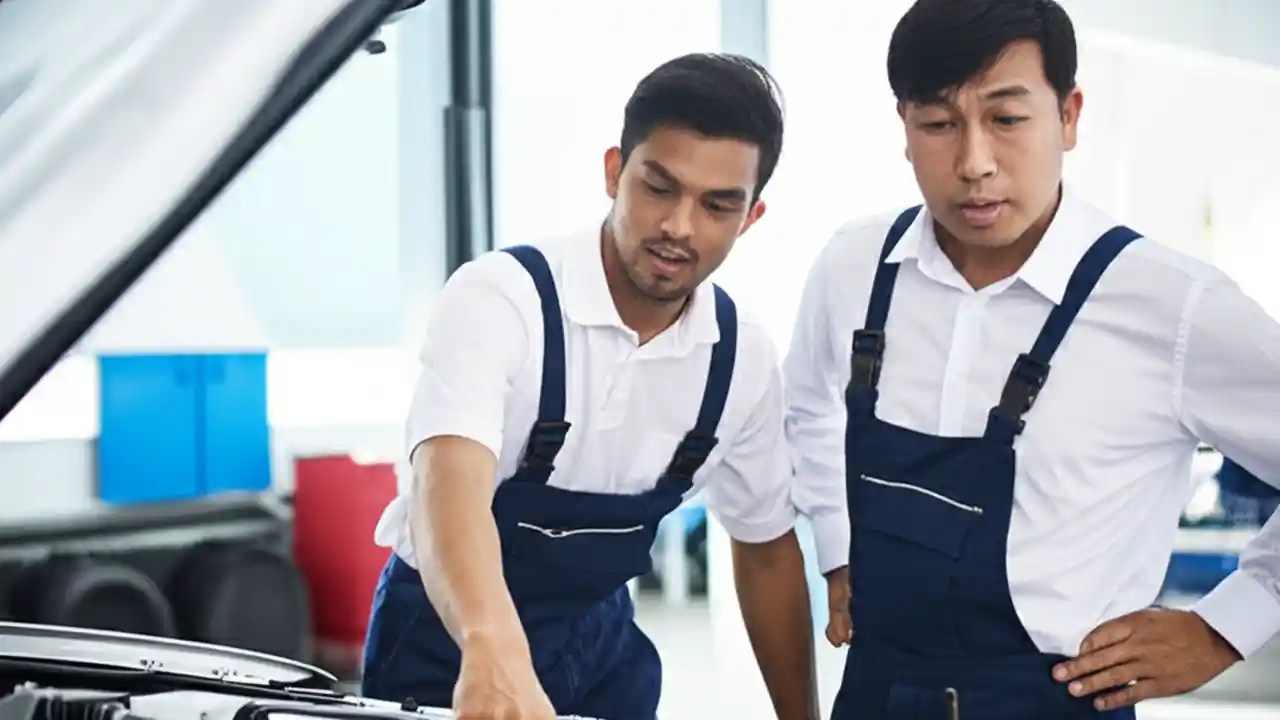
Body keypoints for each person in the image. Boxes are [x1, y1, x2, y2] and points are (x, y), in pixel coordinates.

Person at [782, 0, 1280, 717]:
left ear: (1069, 116)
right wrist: (836, 547)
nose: (974, 163)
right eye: (939, 124)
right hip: (876, 691)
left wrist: (1227, 625)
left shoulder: (1172, 304)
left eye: (1007, 120)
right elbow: (807, 408)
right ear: (904, 127)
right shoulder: (853, 268)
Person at [360, 53, 818, 720]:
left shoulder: (741, 356)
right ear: (614, 172)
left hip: (601, 655)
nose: (679, 227)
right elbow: (445, 485)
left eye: (717, 205)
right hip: (447, 646)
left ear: (750, 217)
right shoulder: (502, 299)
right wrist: (492, 653)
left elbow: (766, 550)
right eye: (659, 188)